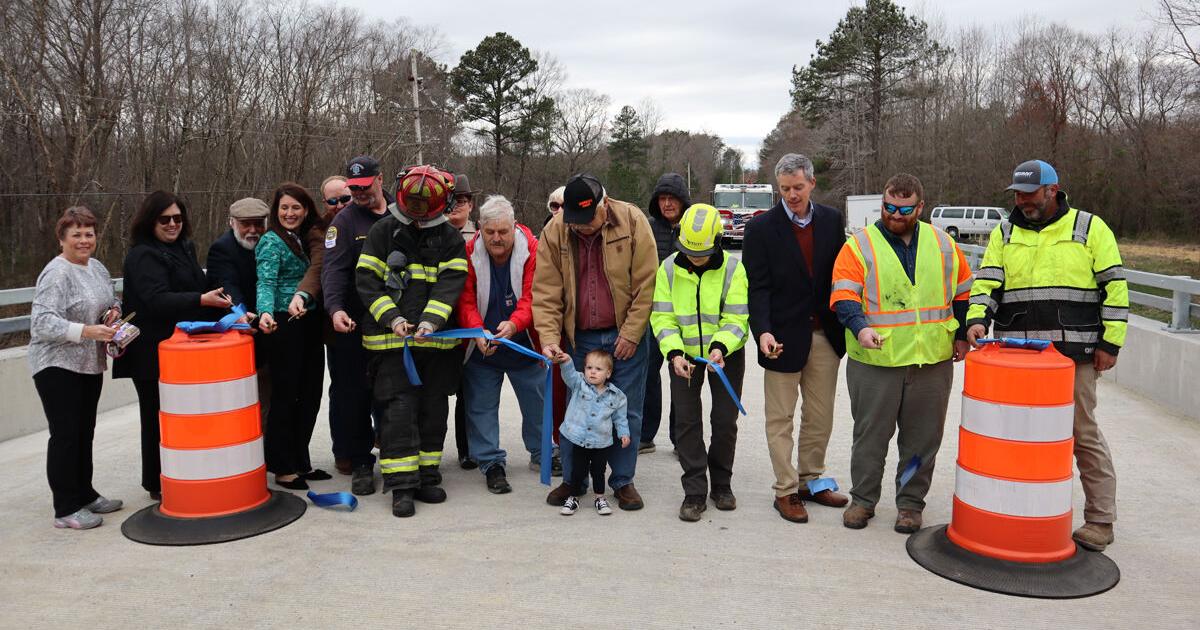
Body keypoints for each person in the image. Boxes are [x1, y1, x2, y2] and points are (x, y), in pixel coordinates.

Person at [966, 159, 1128, 552]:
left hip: (1074, 357)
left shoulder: (1089, 228)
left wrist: (1110, 344)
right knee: (1018, 436)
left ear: (1052, 190)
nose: (1022, 201)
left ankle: (1100, 519)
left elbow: (1115, 288)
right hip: (1018, 357)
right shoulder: (1004, 232)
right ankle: (1019, 509)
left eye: (1030, 193)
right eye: (1018, 194)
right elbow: (988, 280)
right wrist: (976, 318)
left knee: (1081, 433)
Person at [830, 173, 973, 533]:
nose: (894, 215)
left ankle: (910, 504)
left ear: (920, 208)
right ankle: (863, 501)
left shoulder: (944, 245)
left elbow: (963, 293)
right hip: (875, 362)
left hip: (931, 362)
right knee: (870, 437)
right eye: (889, 207)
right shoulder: (858, 246)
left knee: (921, 441)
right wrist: (860, 327)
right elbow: (843, 296)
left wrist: (961, 334)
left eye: (904, 209)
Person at [533, 172, 657, 510]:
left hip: (624, 334)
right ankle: (574, 481)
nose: (581, 227)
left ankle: (622, 481)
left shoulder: (632, 221)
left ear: (604, 205)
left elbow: (647, 284)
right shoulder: (556, 228)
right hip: (580, 338)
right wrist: (548, 338)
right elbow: (545, 291)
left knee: (626, 410)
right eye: (575, 221)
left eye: (587, 220)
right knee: (577, 414)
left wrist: (632, 333)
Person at [741, 153, 848, 524]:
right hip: (781, 338)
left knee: (820, 417)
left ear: (812, 184)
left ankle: (810, 480)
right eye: (784, 189)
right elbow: (758, 289)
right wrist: (763, 331)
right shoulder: (760, 229)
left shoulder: (833, 221)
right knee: (780, 419)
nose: (791, 195)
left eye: (797, 188)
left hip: (824, 336)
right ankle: (785, 490)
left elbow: (840, 276)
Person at [356, 165, 468, 518]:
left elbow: (451, 284)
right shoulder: (383, 231)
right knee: (398, 413)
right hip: (391, 347)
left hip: (434, 346)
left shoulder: (450, 238)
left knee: (433, 411)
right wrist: (394, 318)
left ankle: (427, 475)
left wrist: (432, 322)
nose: (418, 214)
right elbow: (367, 282)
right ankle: (401, 486)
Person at [115, 191, 230, 501]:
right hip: (151, 352)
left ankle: (185, 472)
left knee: (183, 417)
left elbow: (199, 286)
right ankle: (156, 481)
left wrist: (226, 304)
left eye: (178, 218)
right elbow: (155, 299)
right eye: (164, 219)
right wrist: (200, 300)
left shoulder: (185, 247)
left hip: (183, 352)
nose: (172, 224)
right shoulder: (142, 255)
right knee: (156, 417)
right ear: (150, 221)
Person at [650, 203, 749, 522]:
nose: (693, 258)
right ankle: (694, 491)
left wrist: (721, 347)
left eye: (701, 252)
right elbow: (662, 316)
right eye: (688, 251)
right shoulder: (666, 269)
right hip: (683, 357)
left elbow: (737, 318)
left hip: (726, 356)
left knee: (724, 421)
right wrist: (675, 353)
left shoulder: (734, 270)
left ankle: (721, 485)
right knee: (687, 423)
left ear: (717, 242)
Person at [29, 206, 123, 529]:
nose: (84, 241)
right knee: (66, 434)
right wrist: (86, 331)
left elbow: (110, 301)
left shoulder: (96, 268)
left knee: (85, 432)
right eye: (76, 235)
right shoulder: (56, 273)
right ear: (61, 239)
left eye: (89, 234)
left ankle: (85, 492)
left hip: (88, 364)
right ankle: (65, 508)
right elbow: (41, 322)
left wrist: (113, 315)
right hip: (56, 365)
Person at [457, 195, 556, 493]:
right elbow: (465, 298)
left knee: (537, 402)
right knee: (481, 406)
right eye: (490, 233)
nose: (497, 239)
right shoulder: (469, 252)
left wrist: (514, 324)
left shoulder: (533, 251)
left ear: (514, 227)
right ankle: (490, 463)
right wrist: (477, 331)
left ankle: (543, 453)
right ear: (481, 230)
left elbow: (534, 296)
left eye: (503, 231)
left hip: (523, 342)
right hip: (483, 347)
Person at [322, 155, 393, 492]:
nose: (360, 194)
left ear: (380, 179)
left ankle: (397, 457)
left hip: (394, 323)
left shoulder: (401, 212)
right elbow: (332, 270)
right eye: (354, 189)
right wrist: (335, 308)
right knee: (353, 395)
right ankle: (361, 460)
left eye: (365, 187)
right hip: (354, 323)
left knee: (393, 393)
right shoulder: (344, 222)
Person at [256, 182, 328, 490]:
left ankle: (302, 461)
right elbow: (265, 282)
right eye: (284, 208)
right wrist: (265, 313)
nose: (289, 213)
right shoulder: (271, 242)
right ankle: (282, 466)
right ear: (276, 211)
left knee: (310, 394)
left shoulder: (306, 237)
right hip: (283, 324)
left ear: (306, 210)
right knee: (286, 396)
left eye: (296, 207)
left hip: (309, 321)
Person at [206, 197, 271, 420]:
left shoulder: (273, 243)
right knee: (253, 403)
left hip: (273, 333)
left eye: (258, 223)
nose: (253, 230)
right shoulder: (222, 249)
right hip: (243, 336)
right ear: (232, 223)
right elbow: (227, 286)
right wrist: (240, 312)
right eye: (246, 224)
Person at [642, 173, 691, 454]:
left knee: (681, 377)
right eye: (662, 198)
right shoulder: (647, 228)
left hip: (683, 317)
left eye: (672, 198)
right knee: (647, 374)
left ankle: (680, 438)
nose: (667, 203)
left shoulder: (694, 228)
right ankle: (646, 435)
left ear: (683, 201)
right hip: (652, 313)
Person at [552, 349, 630, 516]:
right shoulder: (579, 384)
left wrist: (624, 434)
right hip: (579, 439)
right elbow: (569, 375)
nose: (592, 372)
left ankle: (600, 498)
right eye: (589, 368)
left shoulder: (617, 396)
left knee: (598, 471)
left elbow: (620, 419)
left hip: (601, 442)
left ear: (608, 373)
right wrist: (566, 362)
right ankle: (573, 497)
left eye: (598, 369)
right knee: (577, 470)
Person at [447, 173, 479, 470]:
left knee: (468, 392)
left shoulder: (482, 235)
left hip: (470, 324)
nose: (458, 205)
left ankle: (467, 449)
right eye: (452, 200)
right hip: (439, 326)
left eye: (463, 200)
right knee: (432, 391)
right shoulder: (432, 233)